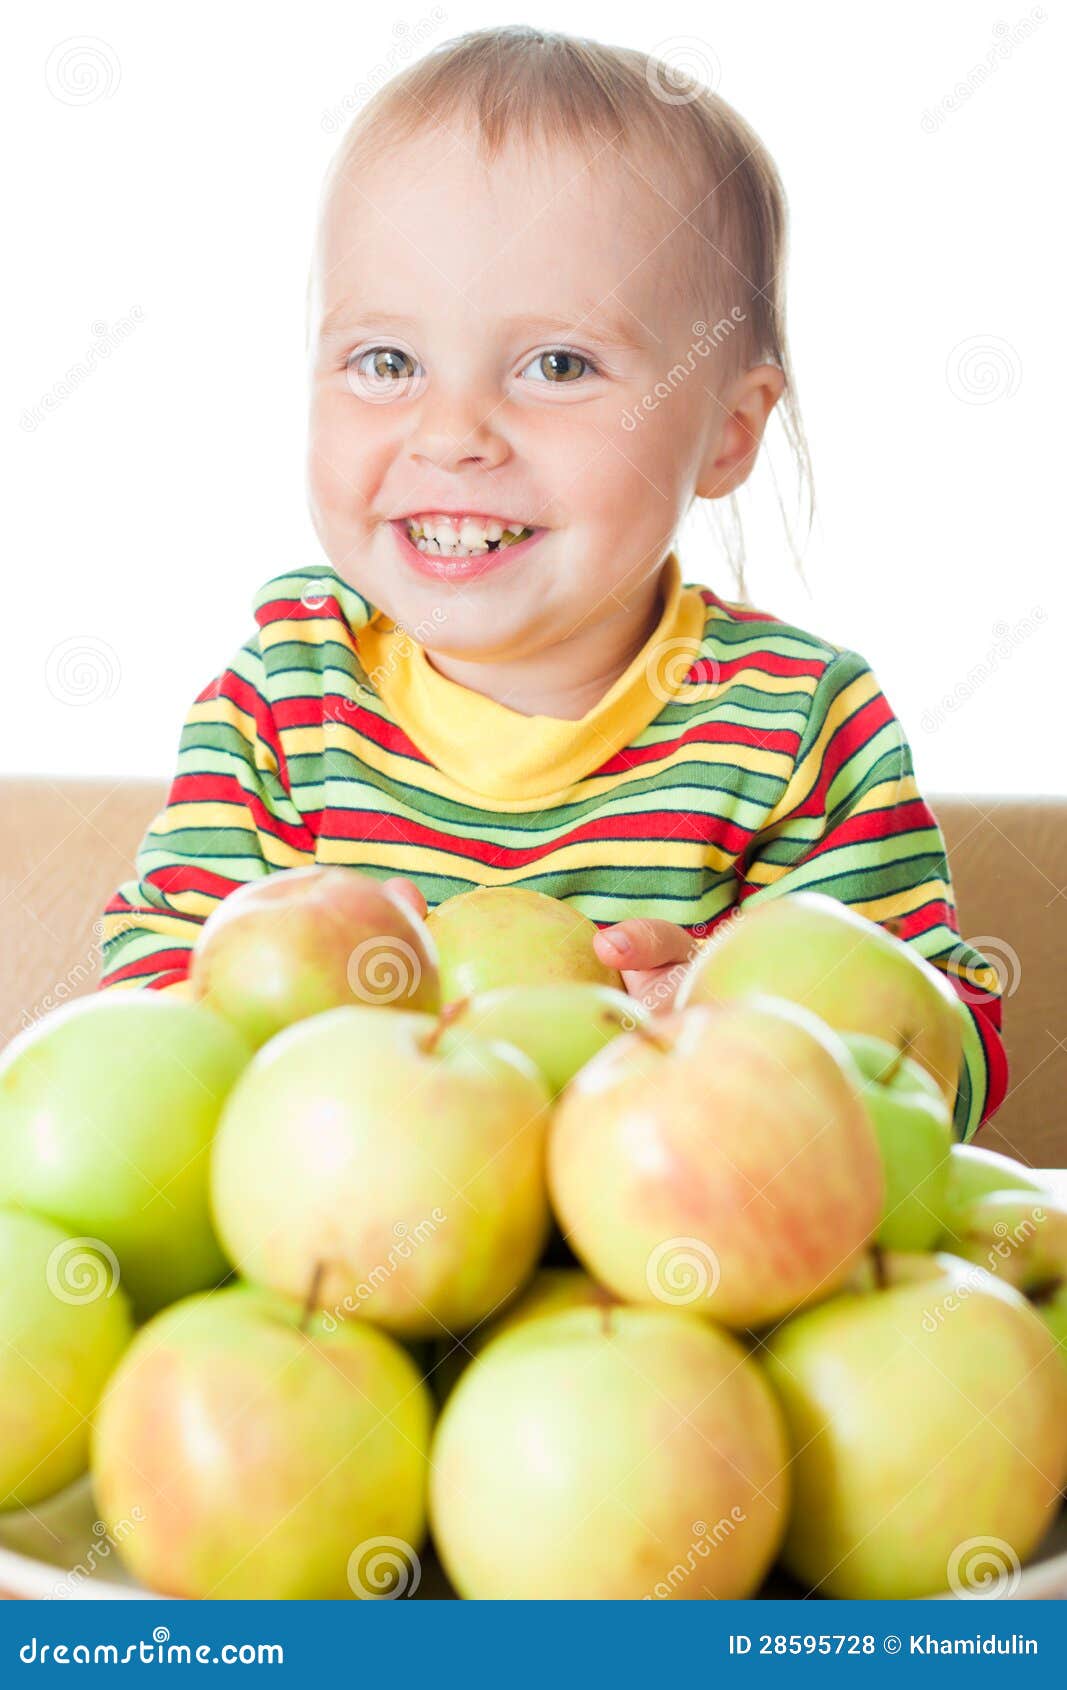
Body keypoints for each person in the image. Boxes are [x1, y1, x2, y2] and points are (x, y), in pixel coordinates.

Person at [96, 26, 1006, 1142]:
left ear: (727, 432)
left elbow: (932, 1069)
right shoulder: (282, 703)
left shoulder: (794, 728)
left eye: (558, 366)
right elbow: (145, 1019)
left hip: (669, 1276)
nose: (453, 432)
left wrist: (742, 1021)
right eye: (387, 362)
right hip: (340, 1252)